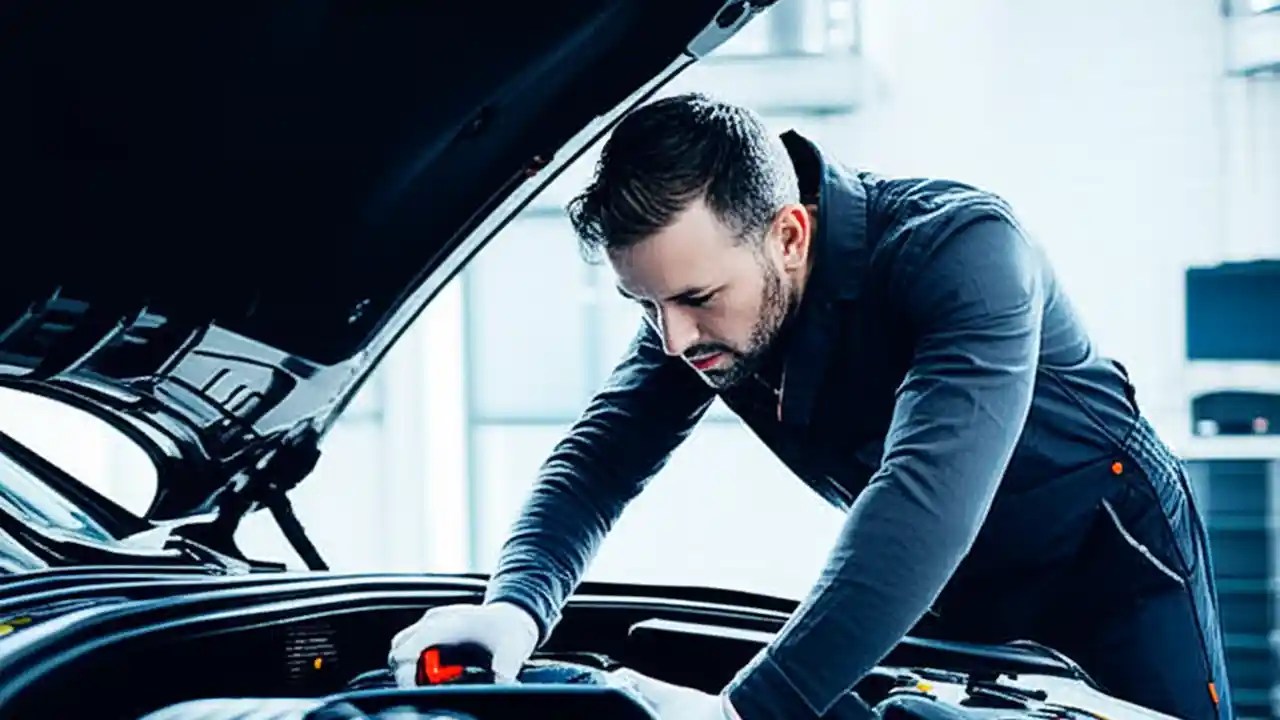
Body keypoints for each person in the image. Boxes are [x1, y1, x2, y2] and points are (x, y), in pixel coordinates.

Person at [387, 93, 1232, 720]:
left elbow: (918, 499)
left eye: (693, 298)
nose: (674, 340)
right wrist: (515, 606)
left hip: (1110, 560)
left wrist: (740, 714)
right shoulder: (711, 307)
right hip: (948, 580)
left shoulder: (965, 252)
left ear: (789, 235)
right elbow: (597, 459)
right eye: (645, 307)